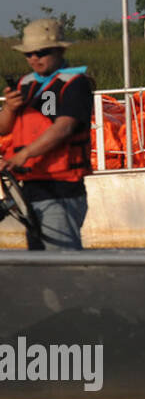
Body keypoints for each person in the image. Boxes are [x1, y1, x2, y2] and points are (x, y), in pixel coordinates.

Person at [0, 19, 93, 249]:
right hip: (31, 187)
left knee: (60, 261)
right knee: (39, 261)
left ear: (60, 51)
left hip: (61, 189)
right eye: (28, 54)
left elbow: (64, 128)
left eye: (41, 52)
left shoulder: (75, 84)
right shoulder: (25, 84)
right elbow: (3, 128)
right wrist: (9, 108)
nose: (34, 58)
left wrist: (22, 156)